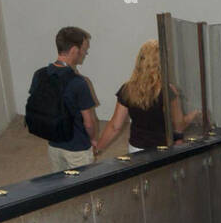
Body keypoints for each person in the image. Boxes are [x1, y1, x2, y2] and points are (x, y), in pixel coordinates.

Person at [94, 40, 202, 157]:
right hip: (163, 150)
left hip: (136, 148)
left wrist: (98, 148)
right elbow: (179, 125)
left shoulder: (127, 89)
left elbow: (115, 126)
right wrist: (195, 114)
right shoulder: (168, 90)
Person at [26, 27, 98, 172]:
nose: (85, 53)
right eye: (83, 49)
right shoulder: (79, 83)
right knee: (85, 188)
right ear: (73, 51)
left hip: (53, 145)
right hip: (77, 149)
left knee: (60, 185)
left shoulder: (39, 74)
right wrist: (93, 140)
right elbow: (89, 123)